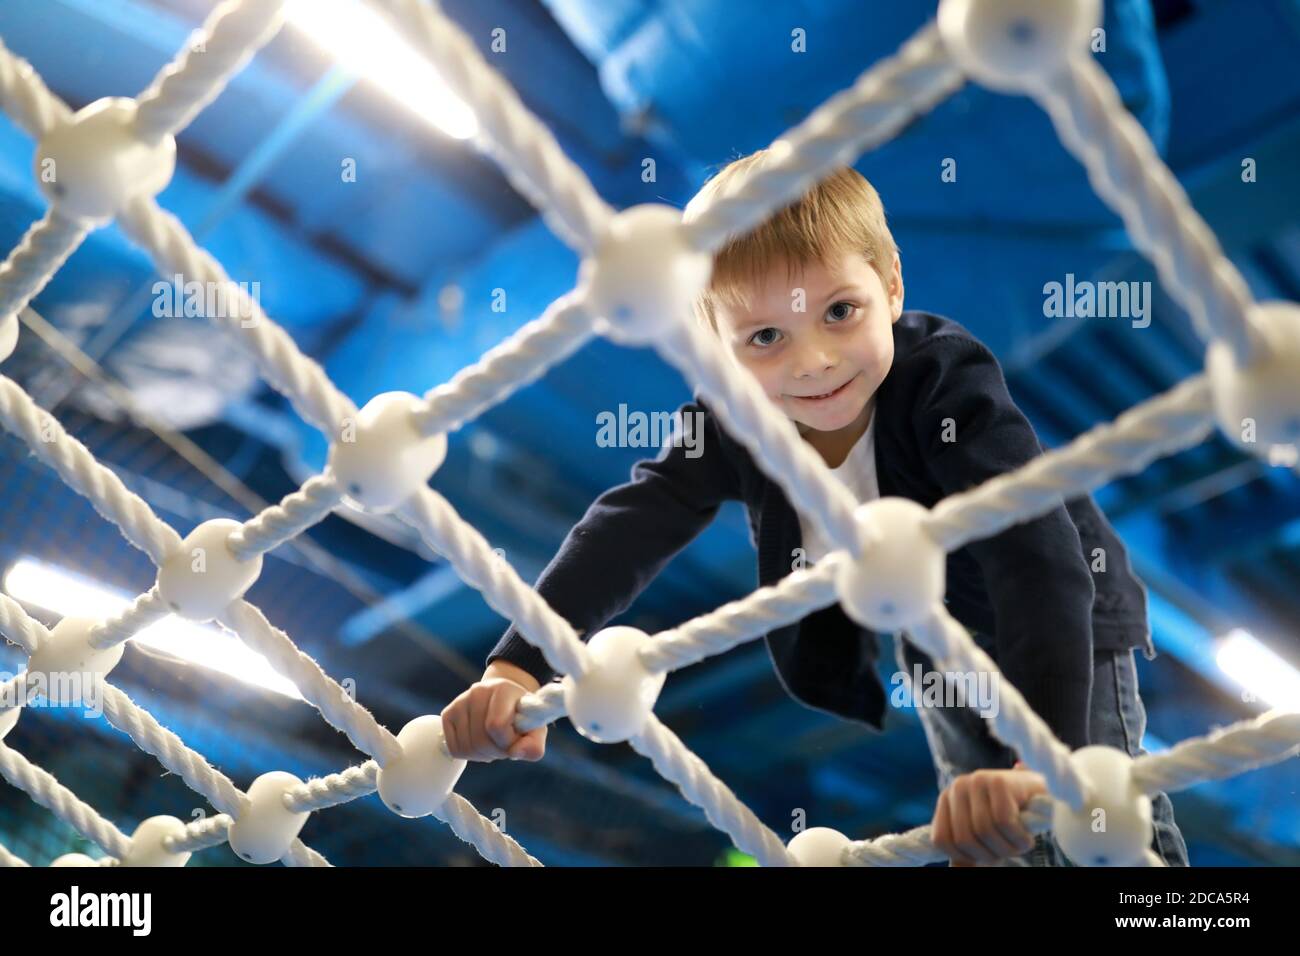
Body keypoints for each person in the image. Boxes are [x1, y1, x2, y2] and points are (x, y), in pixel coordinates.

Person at [441, 149, 1189, 866]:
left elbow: (1035, 554)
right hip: (937, 637)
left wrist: (1043, 755)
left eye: (840, 312)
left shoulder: (943, 382)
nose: (812, 362)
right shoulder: (734, 422)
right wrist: (518, 665)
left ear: (891, 288)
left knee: (1093, 818)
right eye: (764, 337)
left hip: (1066, 619)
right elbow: (633, 523)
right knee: (986, 835)